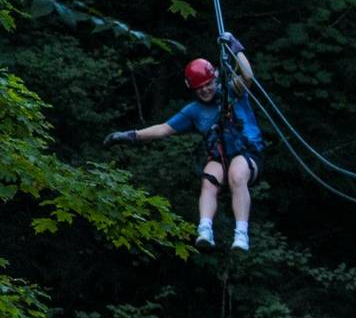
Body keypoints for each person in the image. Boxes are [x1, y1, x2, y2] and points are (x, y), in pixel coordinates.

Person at [107, 32, 264, 251]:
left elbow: (247, 76)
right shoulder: (194, 111)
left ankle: (241, 234)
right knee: (208, 180)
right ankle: (205, 229)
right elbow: (163, 129)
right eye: (199, 88)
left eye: (208, 84)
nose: (205, 90)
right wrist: (131, 135)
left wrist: (235, 47)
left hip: (246, 153)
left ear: (215, 79)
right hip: (220, 157)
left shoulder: (232, 91)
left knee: (237, 175)